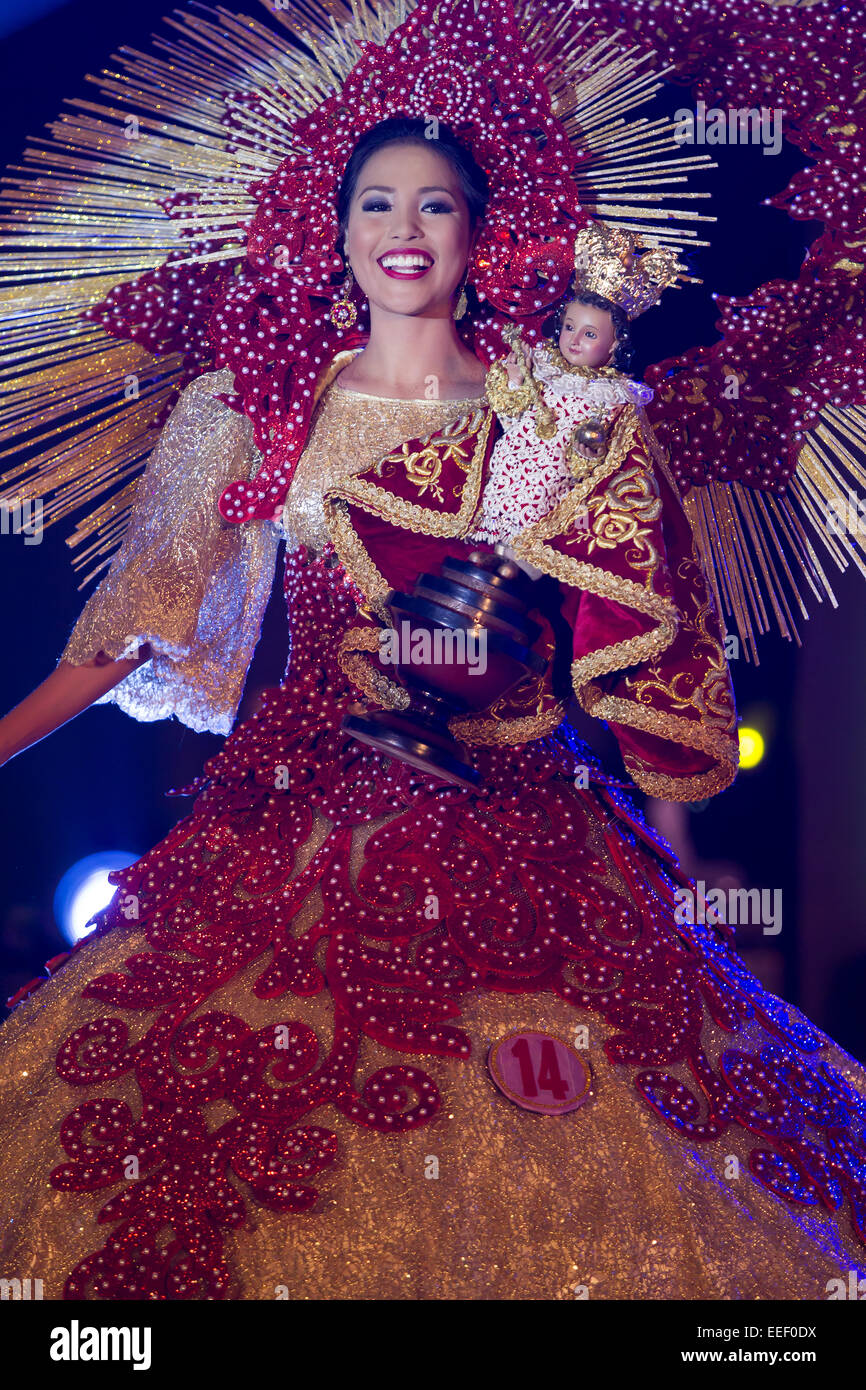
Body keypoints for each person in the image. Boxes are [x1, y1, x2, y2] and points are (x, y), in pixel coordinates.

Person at [1, 108, 864, 1304]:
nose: (402, 230)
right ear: (338, 228)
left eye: (435, 204)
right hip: (301, 814)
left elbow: (619, 637)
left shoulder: (550, 407)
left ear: (473, 235)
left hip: (530, 816)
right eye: (376, 203)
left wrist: (677, 851)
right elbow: (137, 621)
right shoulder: (254, 406)